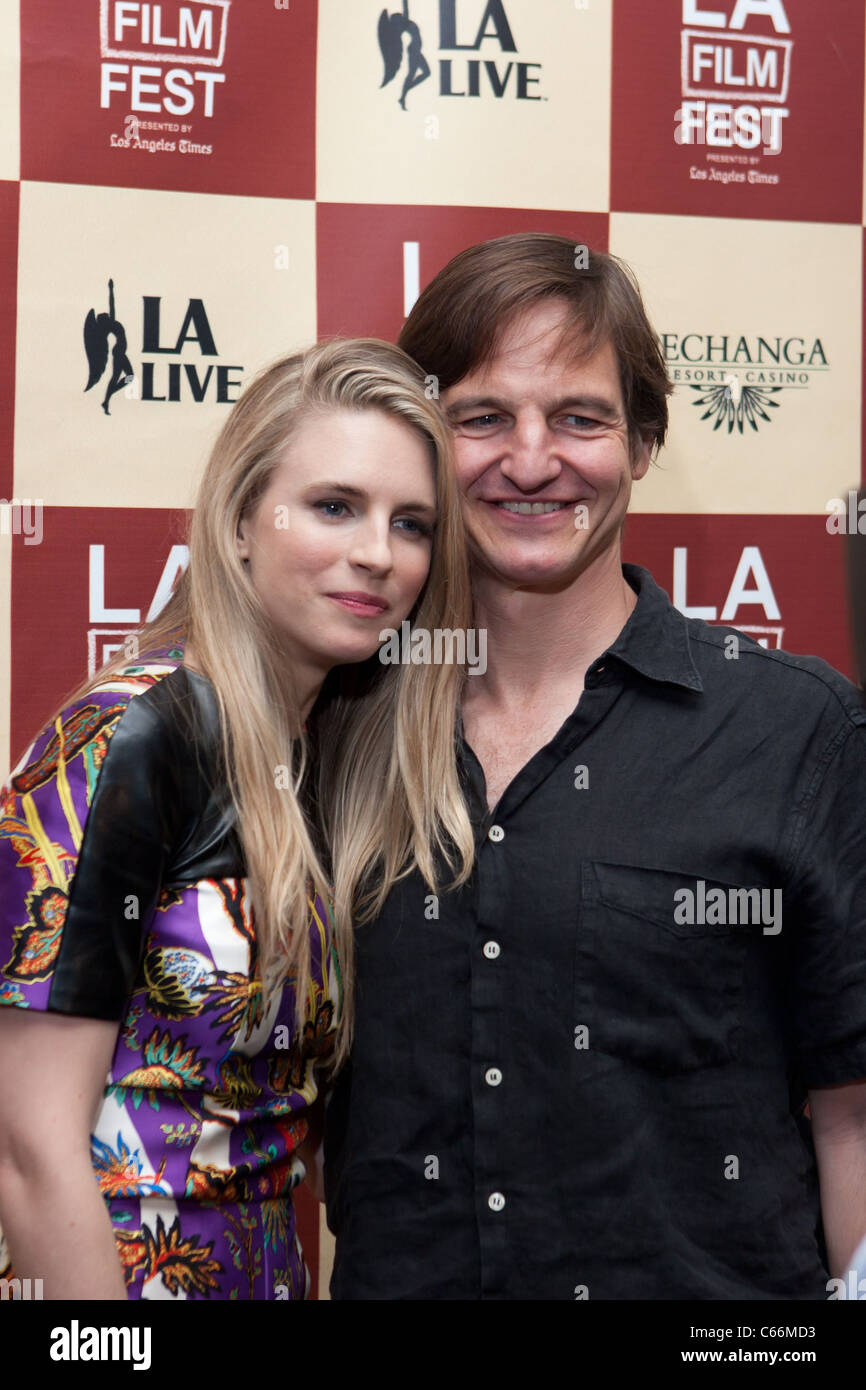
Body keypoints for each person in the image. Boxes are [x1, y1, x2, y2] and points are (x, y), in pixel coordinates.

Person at [324, 233, 866, 1300]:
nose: (531, 461)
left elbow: (852, 1114)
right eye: (480, 417)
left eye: (579, 417)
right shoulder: (338, 722)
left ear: (643, 445)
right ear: (423, 444)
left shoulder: (794, 729)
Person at [0, 338, 475, 1300]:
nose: (378, 554)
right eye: (335, 506)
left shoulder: (320, 761)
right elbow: (26, 1146)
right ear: (240, 521)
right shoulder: (136, 731)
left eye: (413, 523)